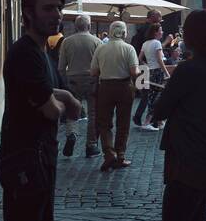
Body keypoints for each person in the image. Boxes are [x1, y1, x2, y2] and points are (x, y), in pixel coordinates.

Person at [0, 0, 81, 221]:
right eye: (48, 8)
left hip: (42, 156)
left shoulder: (43, 52)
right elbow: (51, 110)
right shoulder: (25, 53)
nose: (56, 14)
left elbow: (50, 95)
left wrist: (64, 98)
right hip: (24, 158)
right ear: (28, 13)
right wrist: (64, 101)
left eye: (58, 8)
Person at [152, 9, 206, 221]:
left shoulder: (188, 69)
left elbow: (160, 110)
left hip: (186, 161)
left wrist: (166, 90)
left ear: (192, 36)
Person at [91, 22, 141, 171]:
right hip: (124, 87)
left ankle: (109, 154)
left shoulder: (101, 48)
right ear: (125, 33)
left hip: (105, 87)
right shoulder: (129, 49)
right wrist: (139, 71)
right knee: (123, 123)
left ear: (110, 32)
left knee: (104, 123)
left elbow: (93, 72)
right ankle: (120, 155)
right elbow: (134, 71)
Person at [58, 14, 103, 158]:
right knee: (93, 114)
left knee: (72, 110)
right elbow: (100, 66)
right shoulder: (97, 42)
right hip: (91, 79)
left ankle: (72, 133)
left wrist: (65, 81)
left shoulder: (67, 41)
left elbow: (60, 67)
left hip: (73, 79)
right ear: (89, 26)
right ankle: (91, 145)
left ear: (75, 26)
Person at [134, 20, 170, 131]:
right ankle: (147, 122)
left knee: (152, 96)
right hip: (158, 72)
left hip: (150, 71)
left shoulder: (145, 44)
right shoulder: (157, 43)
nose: (162, 32)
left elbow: (139, 58)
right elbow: (160, 60)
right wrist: (166, 72)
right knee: (156, 97)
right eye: (160, 30)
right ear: (155, 32)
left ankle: (158, 121)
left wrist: (147, 64)